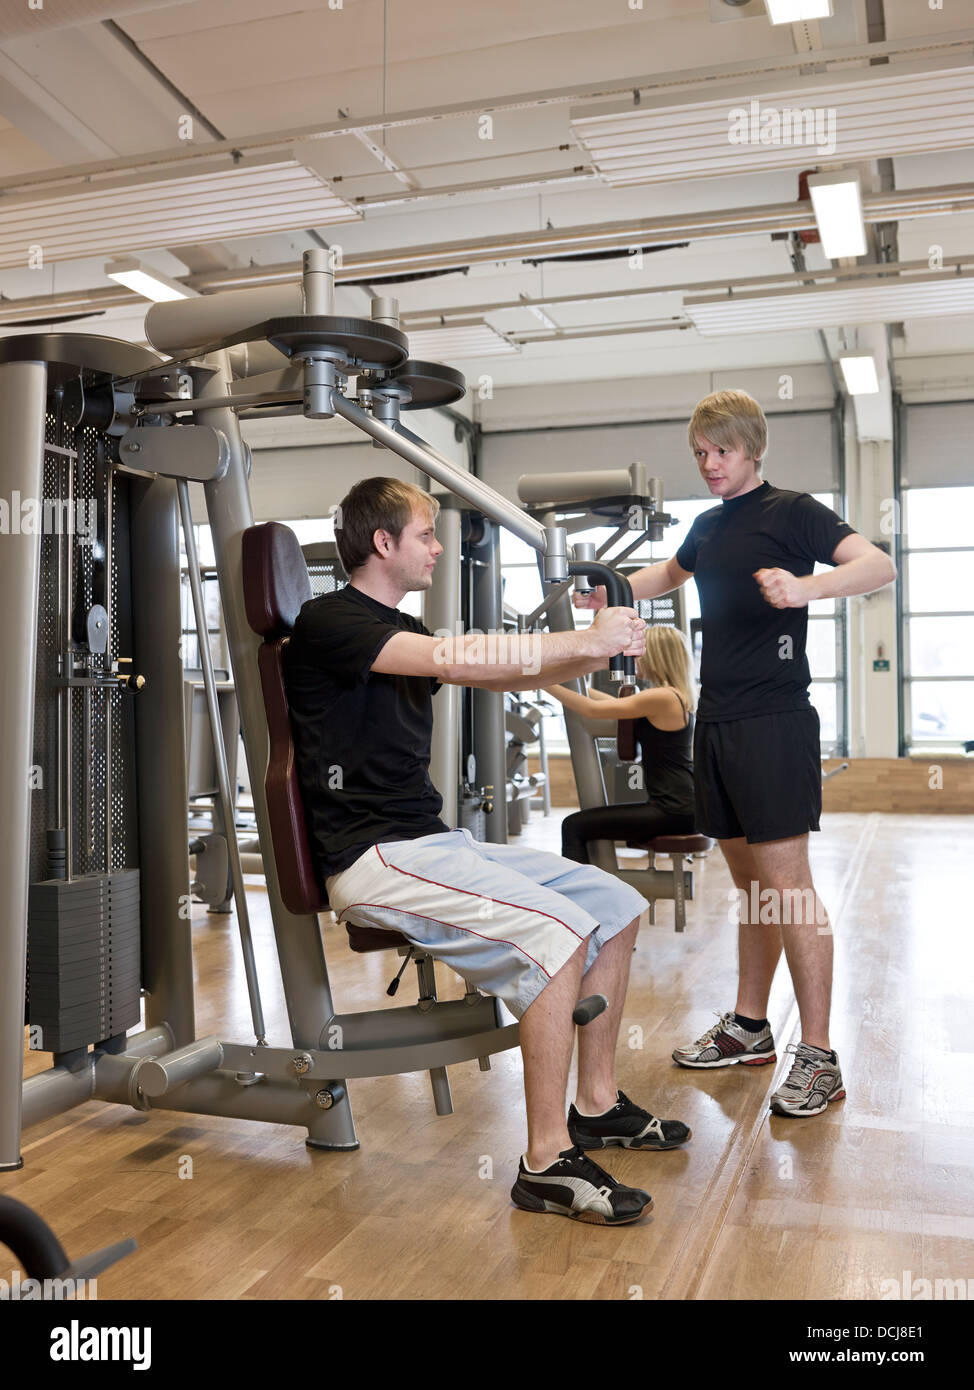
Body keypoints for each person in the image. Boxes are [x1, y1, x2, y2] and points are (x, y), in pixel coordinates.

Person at [284, 477, 691, 1225]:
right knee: (556, 934)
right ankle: (544, 1162)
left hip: (433, 844)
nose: (438, 547)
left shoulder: (396, 632)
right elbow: (470, 658)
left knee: (615, 904)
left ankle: (595, 1105)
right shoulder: (329, 621)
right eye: (426, 534)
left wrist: (595, 650)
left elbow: (504, 667)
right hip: (374, 857)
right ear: (383, 543)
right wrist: (587, 641)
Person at [576, 390, 896, 1117]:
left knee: (789, 886)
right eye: (700, 453)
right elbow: (670, 574)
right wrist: (612, 590)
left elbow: (878, 567)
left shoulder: (794, 511)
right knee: (750, 880)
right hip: (717, 721)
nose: (709, 463)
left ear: (752, 448)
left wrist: (805, 586)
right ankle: (752, 1027)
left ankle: (818, 1056)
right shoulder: (709, 525)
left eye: (721, 451)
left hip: (774, 720)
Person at [544, 625, 696, 864]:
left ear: (657, 656)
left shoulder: (662, 697)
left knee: (573, 825)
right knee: (578, 824)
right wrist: (574, 682)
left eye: (640, 653)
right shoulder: (673, 695)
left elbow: (592, 710)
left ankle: (578, 897)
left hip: (672, 810)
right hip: (680, 807)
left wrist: (542, 682)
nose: (635, 659)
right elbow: (615, 704)